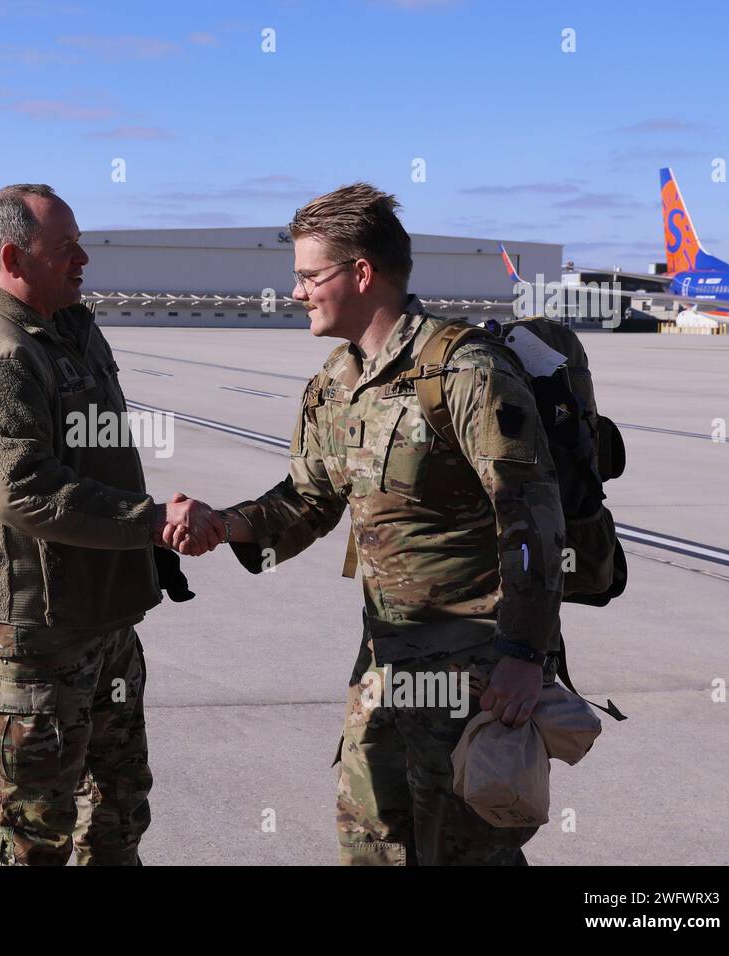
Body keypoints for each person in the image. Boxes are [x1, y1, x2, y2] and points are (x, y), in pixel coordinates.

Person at [168, 183, 565, 865]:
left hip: (475, 674)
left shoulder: (464, 372)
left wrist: (527, 656)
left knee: (468, 855)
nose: (296, 293)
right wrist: (219, 525)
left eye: (307, 276)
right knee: (371, 847)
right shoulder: (335, 381)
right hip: (383, 665)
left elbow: (532, 521)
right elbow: (309, 499)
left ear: (360, 273)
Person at [0, 184, 221, 865]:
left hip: (102, 625)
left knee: (119, 811)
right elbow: (20, 488)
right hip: (35, 645)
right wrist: (148, 521)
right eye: (65, 248)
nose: (84, 259)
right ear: (14, 256)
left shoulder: (69, 331)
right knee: (31, 837)